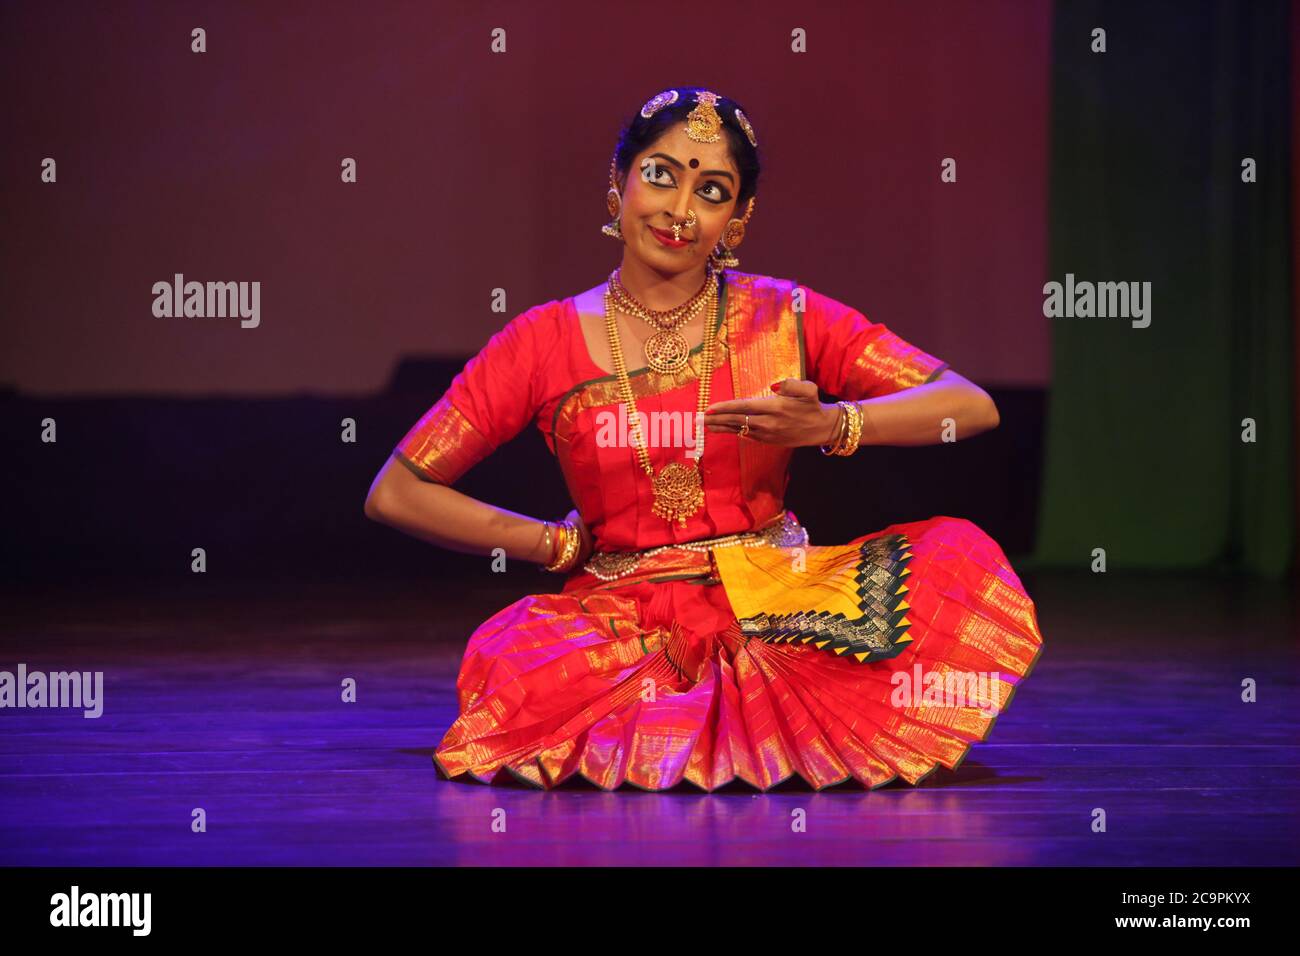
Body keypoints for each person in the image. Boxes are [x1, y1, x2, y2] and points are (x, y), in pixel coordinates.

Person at [364, 87, 1044, 791]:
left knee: (953, 565)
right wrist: (552, 543)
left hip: (777, 606)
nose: (679, 211)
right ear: (617, 183)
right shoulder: (541, 342)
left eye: (712, 190)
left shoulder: (786, 316)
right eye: (661, 174)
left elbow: (969, 405)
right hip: (620, 615)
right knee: (522, 666)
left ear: (737, 219)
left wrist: (837, 425)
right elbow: (398, 492)